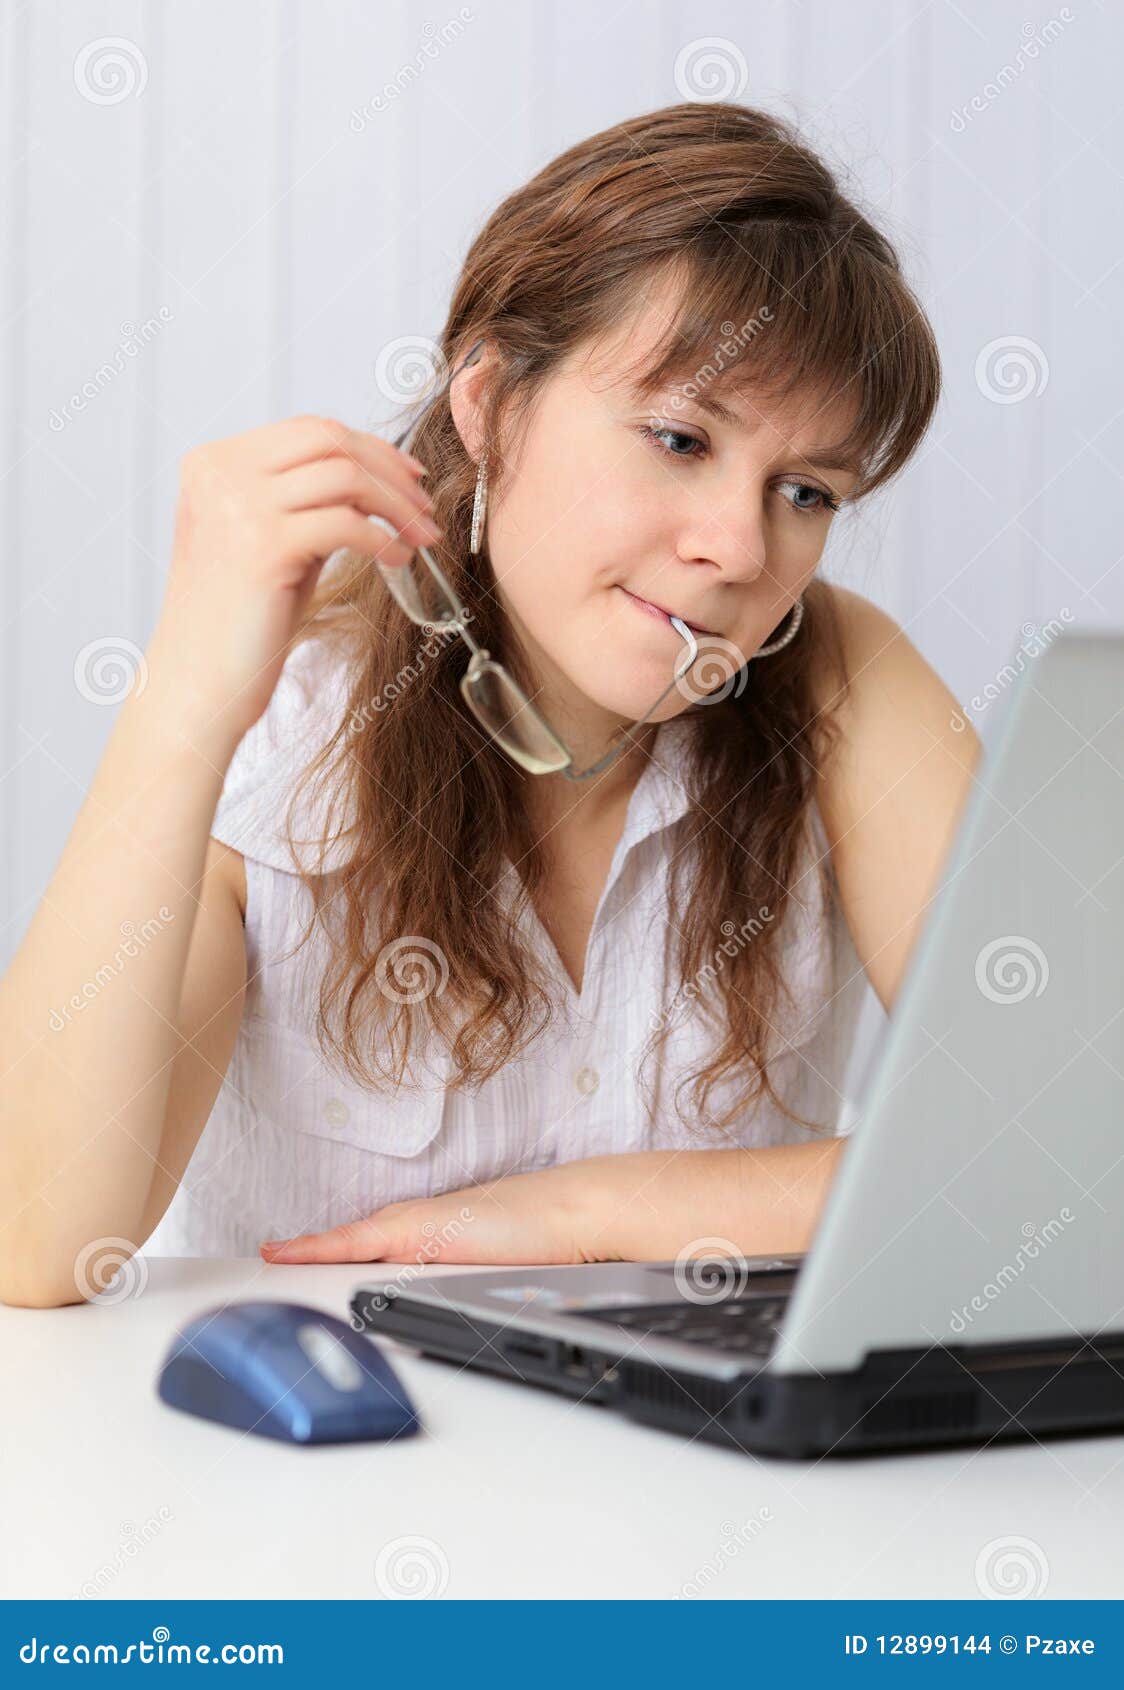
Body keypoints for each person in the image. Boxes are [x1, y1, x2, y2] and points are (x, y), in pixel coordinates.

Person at [0, 101, 979, 1306]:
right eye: (678, 438)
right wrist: (182, 697)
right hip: (320, 1476)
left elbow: (1063, 1152)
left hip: (701, 1481)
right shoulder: (290, 711)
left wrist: (585, 1214)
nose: (736, 545)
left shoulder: (837, 673)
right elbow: (33, 1243)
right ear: (491, 400)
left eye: (805, 492)